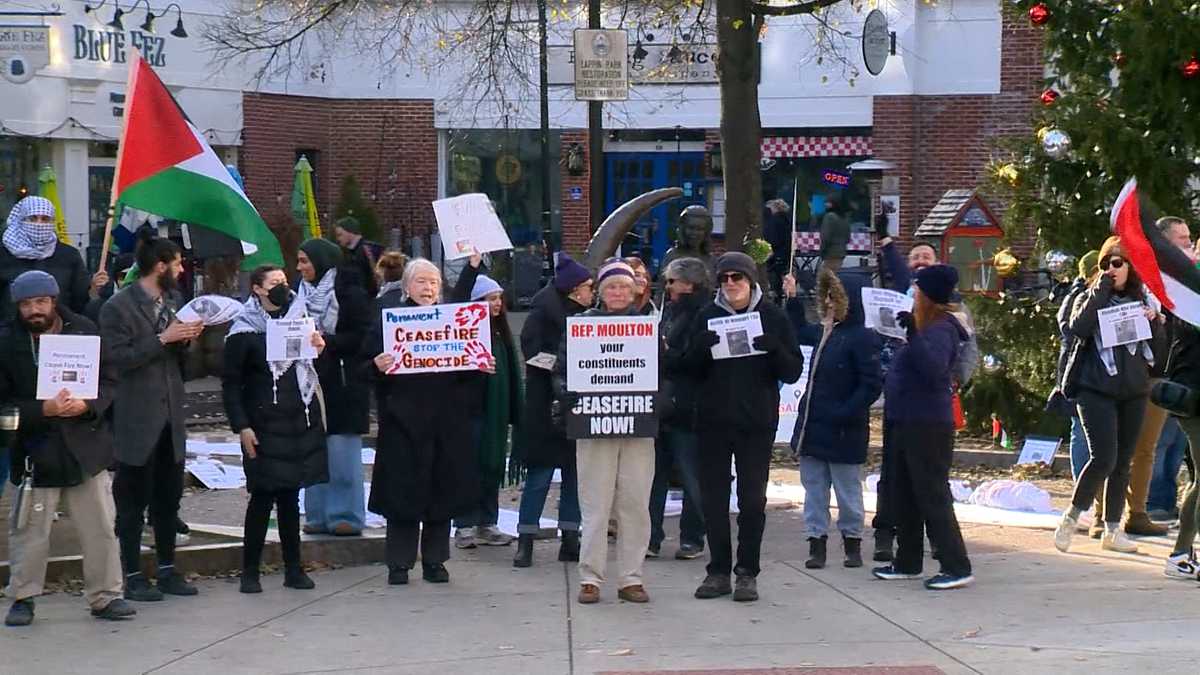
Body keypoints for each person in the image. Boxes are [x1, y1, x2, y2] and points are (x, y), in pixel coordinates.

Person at [2, 271, 134, 626]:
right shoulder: (6, 341)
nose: (34, 310)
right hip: (35, 451)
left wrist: (87, 406)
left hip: (84, 448)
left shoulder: (85, 330)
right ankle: (23, 597)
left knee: (101, 527)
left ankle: (106, 596)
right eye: (27, 304)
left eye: (41, 302)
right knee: (29, 532)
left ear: (54, 300)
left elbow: (109, 381)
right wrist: (40, 409)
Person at [688, 252, 804, 602]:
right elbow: (686, 370)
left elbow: (793, 371)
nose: (730, 284)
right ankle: (718, 570)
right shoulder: (706, 316)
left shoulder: (772, 316)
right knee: (713, 500)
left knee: (752, 500)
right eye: (724, 279)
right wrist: (699, 349)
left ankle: (746, 572)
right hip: (713, 422)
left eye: (737, 277)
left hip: (755, 423)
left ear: (751, 280)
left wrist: (774, 350)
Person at [365, 256, 486, 585]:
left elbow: (468, 373)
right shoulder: (387, 321)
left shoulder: (452, 320)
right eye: (421, 281)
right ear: (406, 287)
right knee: (403, 495)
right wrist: (377, 365)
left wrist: (479, 365)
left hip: (446, 422)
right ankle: (399, 563)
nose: (428, 287)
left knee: (441, 492)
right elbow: (366, 370)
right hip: (403, 421)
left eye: (433, 282)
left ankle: (435, 560)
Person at [100, 235, 203, 601]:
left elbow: (179, 363)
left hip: (170, 417)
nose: (180, 269)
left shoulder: (173, 301)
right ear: (159, 265)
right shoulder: (118, 307)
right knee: (131, 501)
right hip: (136, 417)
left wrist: (186, 339)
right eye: (176, 263)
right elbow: (116, 359)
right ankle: (131, 574)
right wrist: (163, 338)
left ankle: (167, 570)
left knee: (168, 499)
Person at [1054, 237, 1164, 555]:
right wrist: (1100, 291)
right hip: (1095, 388)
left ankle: (1114, 529)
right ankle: (1071, 517)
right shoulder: (1087, 296)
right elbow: (1079, 329)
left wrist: (1155, 324)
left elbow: (1157, 357)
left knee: (1123, 462)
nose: (1111, 269)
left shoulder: (1142, 300)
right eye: (1106, 263)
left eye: (1118, 263)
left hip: (1133, 390)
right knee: (1103, 457)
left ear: (1131, 267)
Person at [223, 265, 329, 594]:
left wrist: (319, 348)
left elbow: (311, 368)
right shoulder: (244, 331)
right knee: (262, 497)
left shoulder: (300, 318)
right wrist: (242, 426)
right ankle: (250, 571)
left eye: (285, 281)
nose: (284, 287)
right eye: (274, 283)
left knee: (290, 497)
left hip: (297, 418)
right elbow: (231, 384)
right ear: (257, 289)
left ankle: (293, 569)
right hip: (263, 423)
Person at [561, 259, 658, 604]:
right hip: (593, 422)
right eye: (611, 287)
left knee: (635, 503)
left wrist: (663, 400)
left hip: (638, 424)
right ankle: (591, 577)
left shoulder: (649, 328)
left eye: (623, 287)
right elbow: (563, 370)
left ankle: (631, 577)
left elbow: (665, 372)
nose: (617, 292)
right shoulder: (581, 327)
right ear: (600, 292)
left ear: (635, 291)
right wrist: (568, 395)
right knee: (595, 504)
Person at [871, 264, 974, 590]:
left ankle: (956, 564)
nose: (913, 295)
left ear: (929, 296)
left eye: (918, 291)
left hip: (928, 423)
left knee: (932, 494)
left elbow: (933, 369)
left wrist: (913, 335)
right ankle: (908, 560)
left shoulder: (942, 328)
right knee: (904, 492)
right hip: (905, 419)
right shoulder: (925, 325)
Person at [786, 269, 882, 570]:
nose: (827, 302)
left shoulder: (861, 337)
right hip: (813, 426)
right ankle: (816, 543)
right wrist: (791, 300)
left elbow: (871, 384)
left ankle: (852, 542)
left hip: (843, 429)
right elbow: (799, 331)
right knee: (814, 489)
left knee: (847, 489)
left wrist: (845, 412)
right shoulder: (825, 331)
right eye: (825, 295)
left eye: (834, 296)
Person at [512, 253, 593, 568]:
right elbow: (532, 354)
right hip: (545, 406)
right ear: (573, 290)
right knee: (540, 477)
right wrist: (567, 367)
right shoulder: (542, 315)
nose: (592, 292)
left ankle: (570, 537)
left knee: (575, 475)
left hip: (574, 405)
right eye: (588, 287)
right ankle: (526, 539)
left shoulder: (585, 315)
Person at [1121, 217, 1194, 538]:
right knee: (1155, 445)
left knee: (1176, 447)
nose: (1189, 246)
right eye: (1182, 240)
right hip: (1159, 377)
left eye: (1190, 239)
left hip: (1180, 377)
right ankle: (1150, 505)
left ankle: (1164, 503)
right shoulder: (1159, 279)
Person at [297, 238, 371, 537]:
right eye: (299, 261)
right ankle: (316, 513)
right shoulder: (298, 294)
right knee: (313, 450)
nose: (300, 267)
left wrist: (328, 342)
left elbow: (364, 336)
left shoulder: (349, 293)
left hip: (343, 383)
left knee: (342, 452)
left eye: (305, 260)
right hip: (309, 381)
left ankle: (345, 514)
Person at [454, 274, 521, 549]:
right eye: (490, 299)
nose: (496, 304)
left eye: (498, 298)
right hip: (470, 411)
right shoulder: (464, 334)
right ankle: (464, 524)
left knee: (492, 465)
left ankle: (487, 522)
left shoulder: (500, 333)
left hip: (496, 412)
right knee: (468, 466)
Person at [650, 257, 709, 560]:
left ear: (689, 284)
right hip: (663, 403)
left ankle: (692, 537)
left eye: (673, 281)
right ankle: (651, 536)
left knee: (691, 475)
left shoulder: (702, 314)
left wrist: (664, 352)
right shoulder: (668, 311)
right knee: (654, 475)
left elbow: (695, 359)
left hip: (688, 405)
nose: (668, 286)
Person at [0, 196, 108, 329]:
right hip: (10, 337)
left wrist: (93, 290)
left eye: (45, 219)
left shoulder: (68, 255)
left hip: (59, 334)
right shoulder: (3, 254)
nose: (39, 224)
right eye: (33, 218)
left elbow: (80, 301)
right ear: (20, 220)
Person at [333, 216, 385, 298]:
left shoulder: (368, 250)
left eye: (340, 235)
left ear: (350, 232)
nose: (338, 239)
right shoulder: (348, 254)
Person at [763, 199, 792, 300]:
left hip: (775, 253)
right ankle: (783, 296)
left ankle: (775, 296)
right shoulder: (786, 220)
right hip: (784, 252)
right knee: (781, 275)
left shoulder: (774, 221)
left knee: (774, 276)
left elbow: (773, 238)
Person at [818, 193, 849, 273]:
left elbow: (825, 237)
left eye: (827, 202)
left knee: (825, 279)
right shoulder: (844, 218)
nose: (825, 204)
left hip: (830, 253)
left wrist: (822, 251)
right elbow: (848, 237)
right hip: (841, 252)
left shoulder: (829, 217)